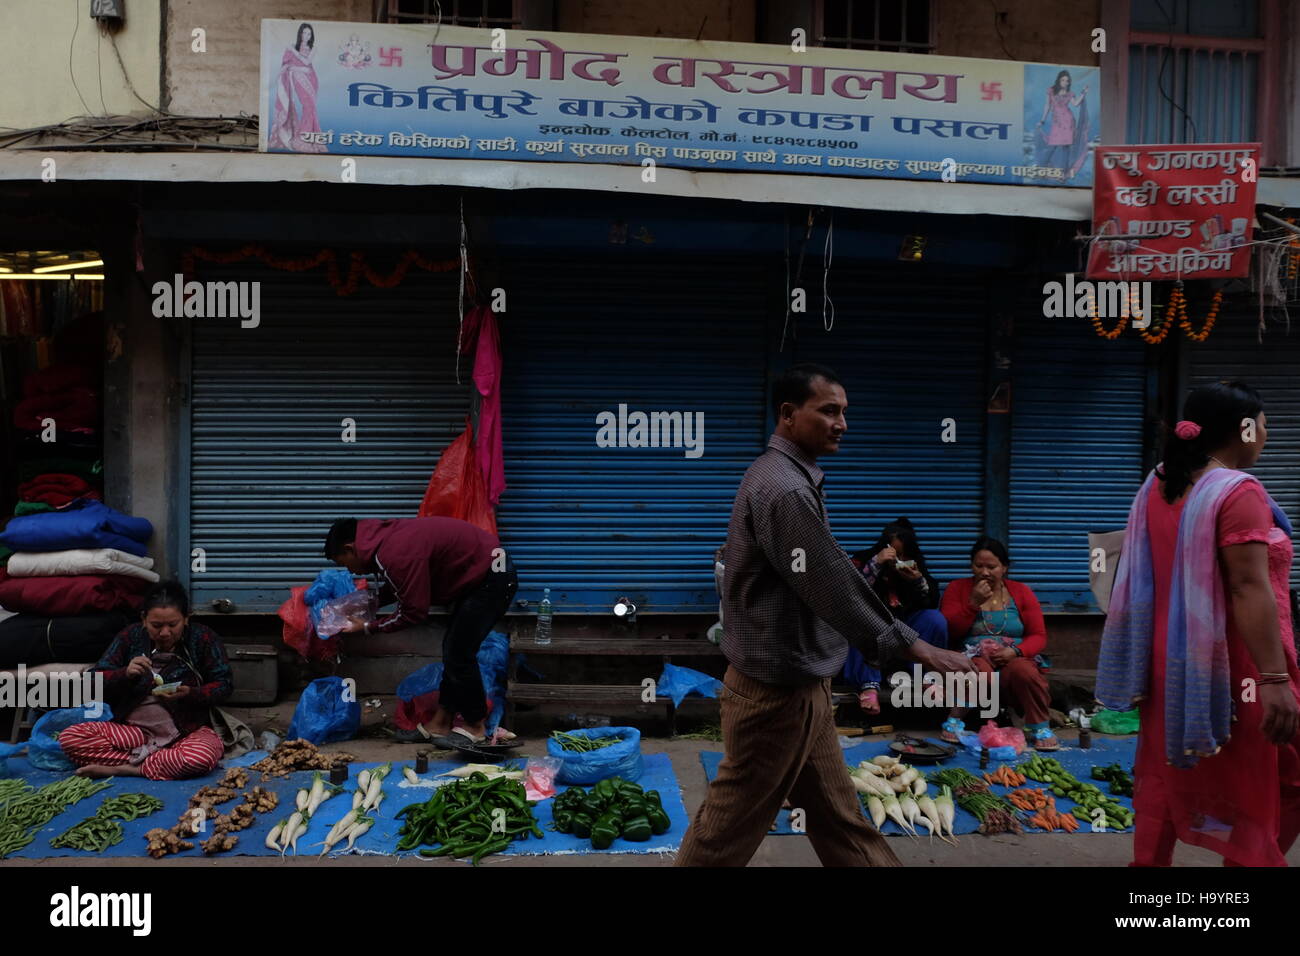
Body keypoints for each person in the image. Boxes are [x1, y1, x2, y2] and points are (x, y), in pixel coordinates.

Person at [676, 363, 974, 867]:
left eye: (845, 412)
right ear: (789, 415)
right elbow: (833, 585)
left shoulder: (788, 477)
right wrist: (915, 645)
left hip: (801, 685)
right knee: (723, 833)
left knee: (839, 819)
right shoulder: (785, 489)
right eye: (829, 411)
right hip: (774, 698)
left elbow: (829, 572)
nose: (842, 423)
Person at [1098, 381, 1300, 867]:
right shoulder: (1239, 493)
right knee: (1273, 777)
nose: (1267, 435)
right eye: (1265, 425)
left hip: (1170, 662)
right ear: (1245, 429)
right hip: (1237, 664)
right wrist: (1274, 680)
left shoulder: (1159, 484)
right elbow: (1247, 588)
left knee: (1171, 772)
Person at [324, 516, 517, 747]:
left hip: (492, 576)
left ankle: (476, 726)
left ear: (350, 548)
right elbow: (403, 582)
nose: (351, 571)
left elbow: (414, 612)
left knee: (458, 653)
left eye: (345, 563)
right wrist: (369, 602)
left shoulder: (394, 552)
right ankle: (439, 723)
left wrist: (366, 627)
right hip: (479, 575)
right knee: (454, 650)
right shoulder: (384, 541)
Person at [61, 582, 231, 780]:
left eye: (173, 625)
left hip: (184, 734)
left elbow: (224, 684)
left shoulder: (203, 638)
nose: (165, 633)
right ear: (143, 619)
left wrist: (191, 694)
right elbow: (92, 681)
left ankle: (127, 769)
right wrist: (124, 674)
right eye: (156, 626)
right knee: (70, 738)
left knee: (200, 758)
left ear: (186, 618)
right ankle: (162, 763)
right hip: (133, 734)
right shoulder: (130, 637)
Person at [940, 536, 1056, 749]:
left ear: (1004, 567)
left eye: (991, 567)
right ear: (971, 566)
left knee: (1025, 671)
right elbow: (949, 631)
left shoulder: (1021, 592)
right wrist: (973, 603)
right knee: (977, 670)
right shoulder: (957, 589)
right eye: (978, 566)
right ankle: (954, 720)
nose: (984, 572)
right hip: (971, 655)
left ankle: (1040, 727)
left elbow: (1038, 636)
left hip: (1012, 656)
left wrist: (1016, 651)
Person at [844, 518, 950, 715]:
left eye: (902, 554)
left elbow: (931, 601)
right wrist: (875, 564)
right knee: (858, 621)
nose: (897, 559)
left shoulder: (916, 565)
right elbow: (850, 591)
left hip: (906, 628)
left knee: (935, 620)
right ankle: (868, 685)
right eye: (893, 553)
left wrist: (918, 581)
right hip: (875, 628)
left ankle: (927, 678)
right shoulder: (866, 559)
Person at [268, 22, 328, 154]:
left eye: (309, 33)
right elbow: (287, 65)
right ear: (300, 33)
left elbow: (307, 63)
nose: (306, 36)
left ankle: (305, 138)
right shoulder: (292, 47)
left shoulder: (313, 48)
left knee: (310, 107)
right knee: (307, 107)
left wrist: (294, 57)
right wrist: (278, 77)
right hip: (298, 80)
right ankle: (306, 137)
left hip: (311, 80)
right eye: (304, 32)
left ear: (311, 36)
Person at [1035, 69, 1091, 179]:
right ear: (1058, 80)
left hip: (1068, 122)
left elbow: (1075, 104)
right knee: (1052, 146)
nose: (1065, 82)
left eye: (1067, 81)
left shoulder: (1070, 94)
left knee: (1066, 148)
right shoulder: (1051, 91)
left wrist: (1083, 93)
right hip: (1057, 122)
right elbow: (1047, 105)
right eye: (1063, 80)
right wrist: (1042, 120)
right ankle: (1042, 169)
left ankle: (1062, 174)